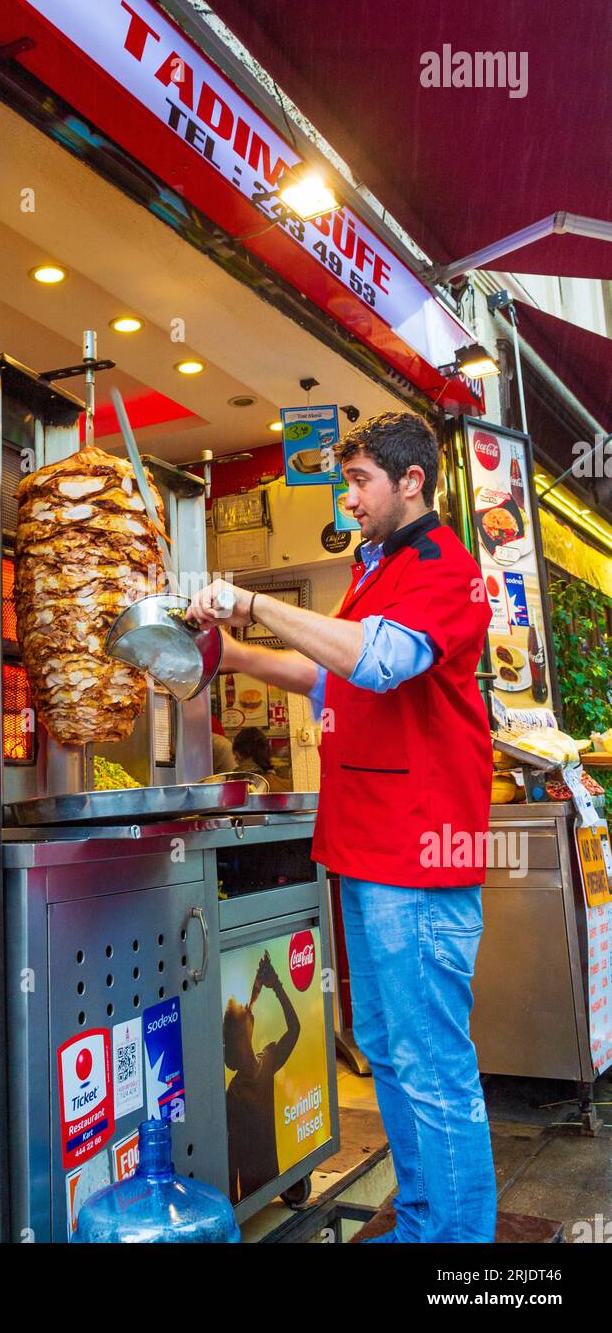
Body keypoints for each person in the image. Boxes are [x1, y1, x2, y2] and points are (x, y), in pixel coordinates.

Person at [187, 410, 496, 1244]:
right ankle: (425, 1224)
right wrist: (237, 653)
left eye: (359, 481)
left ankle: (460, 1252)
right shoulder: (375, 567)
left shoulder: (443, 567)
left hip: (419, 855)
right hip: (366, 849)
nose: (347, 496)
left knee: (433, 1069)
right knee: (392, 1055)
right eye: (346, 478)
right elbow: (332, 680)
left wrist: (249, 600)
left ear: (412, 482)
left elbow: (380, 661)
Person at [223, 951, 300, 1204]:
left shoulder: (262, 1061)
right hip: (253, 1192)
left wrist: (272, 985)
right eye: (244, 1011)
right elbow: (231, 1160)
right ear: (240, 1035)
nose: (248, 1007)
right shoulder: (242, 1084)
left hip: (262, 1186)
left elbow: (293, 1028)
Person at [232, 726, 291, 792]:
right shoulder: (287, 784)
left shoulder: (232, 784)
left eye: (235, 755)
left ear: (238, 755)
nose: (235, 759)